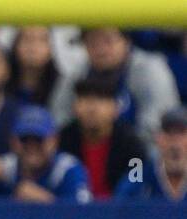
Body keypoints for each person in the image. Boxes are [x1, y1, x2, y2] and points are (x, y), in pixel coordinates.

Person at [52, 28, 181, 143]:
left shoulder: (149, 69)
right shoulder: (78, 74)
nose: (101, 49)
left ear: (126, 41)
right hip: (88, 150)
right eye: (93, 42)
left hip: (141, 152)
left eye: (108, 41)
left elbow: (157, 124)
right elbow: (59, 120)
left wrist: (123, 148)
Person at [0, 105, 91, 202]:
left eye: (39, 140)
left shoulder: (67, 170)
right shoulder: (2, 170)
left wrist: (45, 201)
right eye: (24, 139)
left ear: (54, 141)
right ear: (13, 141)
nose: (31, 147)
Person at [58, 74, 147, 200]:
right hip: (72, 214)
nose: (92, 108)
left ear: (115, 108)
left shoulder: (132, 146)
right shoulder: (62, 141)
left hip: (118, 215)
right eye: (85, 99)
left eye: (101, 99)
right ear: (75, 107)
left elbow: (136, 181)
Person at [116, 105, 187, 201]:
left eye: (181, 134)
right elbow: (119, 211)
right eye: (169, 134)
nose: (175, 143)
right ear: (158, 139)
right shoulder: (137, 180)